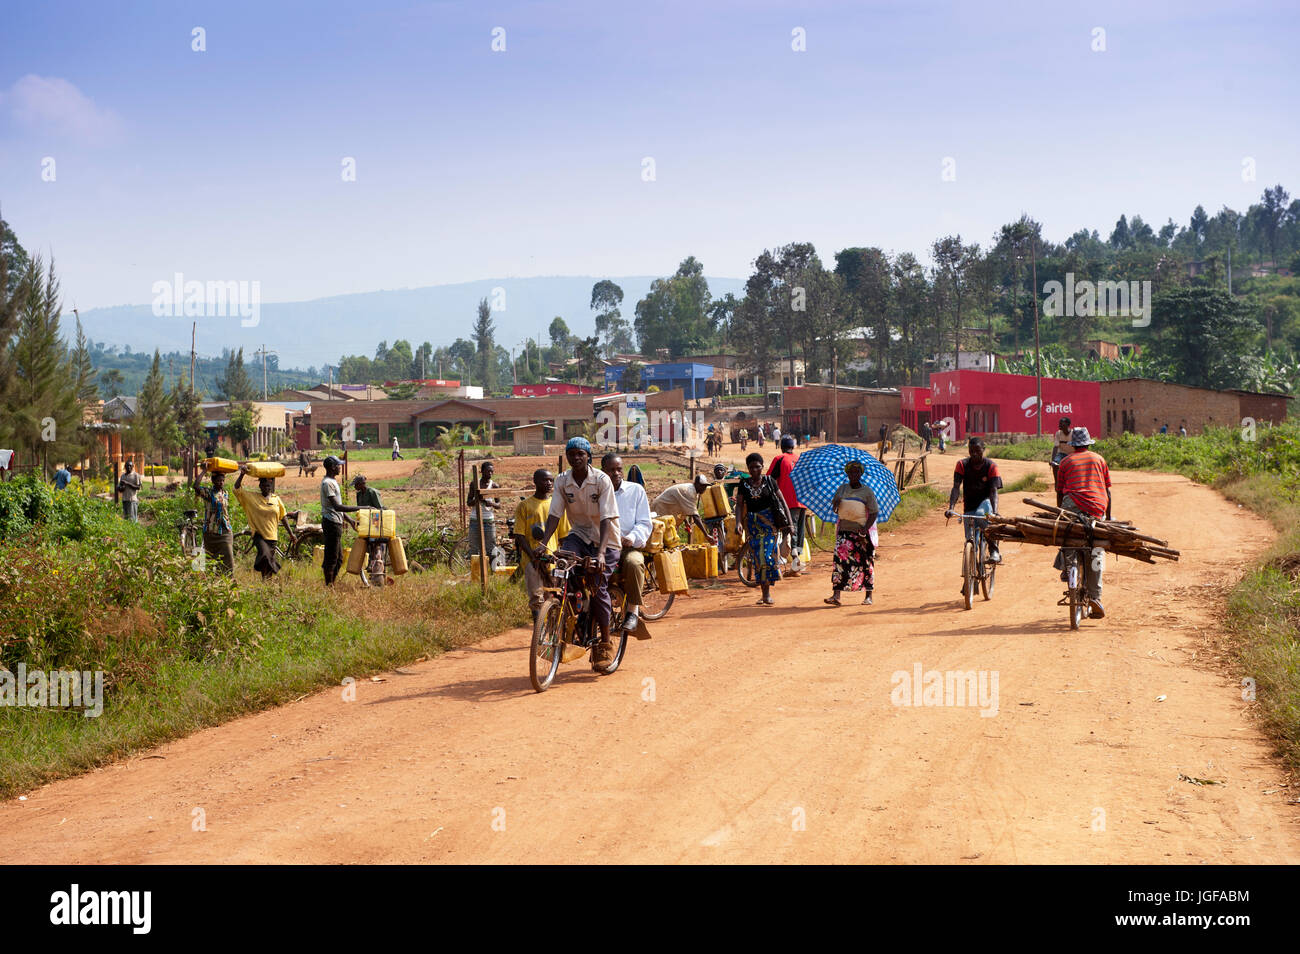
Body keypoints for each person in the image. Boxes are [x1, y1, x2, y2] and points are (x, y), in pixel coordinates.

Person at [536, 438, 621, 669]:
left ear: (588, 456)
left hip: (607, 539)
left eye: (580, 454)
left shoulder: (601, 480)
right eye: (571, 454)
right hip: (580, 535)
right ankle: (571, 621)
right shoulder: (563, 481)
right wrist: (544, 544)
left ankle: (605, 643)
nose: (576, 458)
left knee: (597, 585)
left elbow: (606, 518)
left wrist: (601, 554)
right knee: (562, 566)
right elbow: (554, 514)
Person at [1053, 426, 1112, 619]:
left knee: (1068, 536)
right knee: (1096, 550)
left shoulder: (1065, 461)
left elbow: (1060, 492)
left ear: (1073, 445)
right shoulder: (1100, 459)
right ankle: (1096, 597)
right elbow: (1107, 491)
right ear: (1087, 443)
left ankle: (1066, 567)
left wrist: (1061, 514)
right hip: (1096, 507)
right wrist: (1107, 518)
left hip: (1071, 505)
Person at [601, 454, 653, 636]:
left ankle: (632, 612)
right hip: (603, 547)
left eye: (619, 469)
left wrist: (631, 537)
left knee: (634, 563)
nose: (616, 473)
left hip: (628, 547)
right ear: (603, 472)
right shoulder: (597, 492)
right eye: (610, 470)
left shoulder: (636, 491)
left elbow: (645, 523)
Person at [945, 437, 1003, 597]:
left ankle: (993, 549)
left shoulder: (991, 466)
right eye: (971, 451)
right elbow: (956, 488)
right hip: (968, 505)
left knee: (980, 517)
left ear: (983, 450)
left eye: (977, 451)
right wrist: (951, 508)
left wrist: (995, 511)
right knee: (970, 540)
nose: (975, 454)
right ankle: (971, 579)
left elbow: (994, 492)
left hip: (985, 503)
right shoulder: (962, 465)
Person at [512, 469, 570, 622]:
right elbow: (519, 535)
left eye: (551, 480)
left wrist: (561, 556)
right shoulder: (524, 506)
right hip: (532, 561)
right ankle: (538, 633)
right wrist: (532, 557)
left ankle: (552, 632)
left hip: (552, 560)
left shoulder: (557, 505)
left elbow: (564, 536)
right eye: (545, 480)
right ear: (535, 482)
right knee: (536, 599)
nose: (549, 483)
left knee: (553, 596)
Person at [735, 451, 791, 605]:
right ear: (748, 468)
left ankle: (767, 594)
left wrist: (790, 524)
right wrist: (738, 522)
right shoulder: (743, 484)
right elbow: (739, 505)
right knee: (757, 558)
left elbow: (783, 502)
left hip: (769, 525)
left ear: (762, 467)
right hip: (752, 525)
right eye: (751, 468)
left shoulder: (770, 481)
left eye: (757, 467)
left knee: (765, 556)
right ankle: (764, 593)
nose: (754, 471)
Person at [826, 460, 879, 606]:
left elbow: (874, 512)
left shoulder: (867, 491)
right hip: (844, 531)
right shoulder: (842, 489)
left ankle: (868, 595)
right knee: (839, 563)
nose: (854, 474)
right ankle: (836, 595)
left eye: (857, 472)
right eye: (851, 472)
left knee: (866, 562)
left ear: (861, 474)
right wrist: (836, 502)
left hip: (861, 533)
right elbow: (836, 510)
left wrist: (865, 529)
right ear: (847, 473)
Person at [233, 464, 292, 581]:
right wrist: (242, 474)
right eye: (264, 485)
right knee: (265, 556)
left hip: (272, 537)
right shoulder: (252, 497)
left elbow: (283, 517)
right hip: (259, 535)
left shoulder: (276, 499)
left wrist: (291, 533)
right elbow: (236, 489)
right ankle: (279, 572)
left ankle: (267, 583)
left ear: (271, 486)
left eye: (268, 485)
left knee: (267, 561)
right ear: (260, 486)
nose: (266, 487)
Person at [767, 436, 806, 574]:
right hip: (803, 502)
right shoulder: (800, 459)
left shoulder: (780, 459)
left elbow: (769, 479)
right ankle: (797, 563)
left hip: (788, 501)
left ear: (782, 447)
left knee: (790, 531)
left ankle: (795, 563)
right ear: (793, 447)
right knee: (799, 532)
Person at [320, 457, 362, 586]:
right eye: (338, 465)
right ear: (333, 467)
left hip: (336, 522)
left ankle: (331, 583)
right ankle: (329, 586)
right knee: (331, 558)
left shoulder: (332, 482)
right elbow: (337, 507)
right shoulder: (327, 483)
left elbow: (339, 509)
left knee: (338, 559)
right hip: (331, 523)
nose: (340, 467)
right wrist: (361, 507)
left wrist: (350, 521)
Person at [192, 468, 236, 576]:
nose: (220, 483)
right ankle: (216, 584)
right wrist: (204, 470)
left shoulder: (225, 493)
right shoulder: (208, 493)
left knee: (229, 559)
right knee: (212, 561)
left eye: (222, 480)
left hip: (225, 531)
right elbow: (196, 486)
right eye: (218, 481)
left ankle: (229, 583)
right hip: (211, 532)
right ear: (213, 481)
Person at [652, 474, 712, 542]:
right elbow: (696, 517)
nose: (704, 488)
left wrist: (685, 521)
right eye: (703, 486)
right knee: (661, 533)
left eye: (705, 486)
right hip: (660, 508)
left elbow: (682, 506)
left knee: (670, 536)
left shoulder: (692, 490)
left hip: (667, 508)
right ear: (697, 484)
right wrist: (706, 535)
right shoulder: (689, 492)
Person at [466, 460, 500, 561]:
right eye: (488, 471)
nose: (490, 473)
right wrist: (478, 499)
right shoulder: (474, 484)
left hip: (489, 522)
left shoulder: (494, 486)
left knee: (491, 549)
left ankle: (490, 572)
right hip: (475, 521)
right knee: (474, 550)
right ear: (482, 471)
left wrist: (491, 504)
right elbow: (468, 502)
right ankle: (475, 573)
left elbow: (499, 505)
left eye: (492, 471)